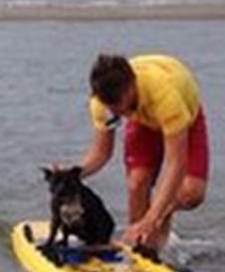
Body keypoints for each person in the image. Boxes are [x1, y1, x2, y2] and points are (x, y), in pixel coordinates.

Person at [73, 53, 210, 250]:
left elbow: (176, 163)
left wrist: (154, 215)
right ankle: (138, 246)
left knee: (192, 194)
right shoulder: (102, 103)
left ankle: (156, 218)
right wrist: (73, 172)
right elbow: (101, 153)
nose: (116, 112)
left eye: (118, 105)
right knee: (137, 183)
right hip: (143, 120)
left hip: (183, 113)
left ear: (132, 86)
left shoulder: (165, 94)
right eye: (110, 107)